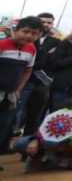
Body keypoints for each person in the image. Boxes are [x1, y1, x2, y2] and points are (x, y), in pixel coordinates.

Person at [16, 76, 72, 172]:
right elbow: (47, 123)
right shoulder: (64, 104)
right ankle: (38, 158)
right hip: (52, 136)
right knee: (20, 143)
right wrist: (36, 140)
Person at [0, 16, 44, 153]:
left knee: (4, 126)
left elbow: (28, 70)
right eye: (25, 31)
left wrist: (18, 90)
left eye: (34, 33)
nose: (29, 36)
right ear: (16, 30)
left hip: (11, 95)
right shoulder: (2, 44)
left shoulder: (31, 49)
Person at [17, 12, 58, 138]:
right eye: (43, 22)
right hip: (23, 81)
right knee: (17, 111)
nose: (46, 24)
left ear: (53, 24)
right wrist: (45, 53)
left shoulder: (57, 42)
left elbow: (52, 62)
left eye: (49, 22)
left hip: (42, 83)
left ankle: (27, 141)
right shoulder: (27, 38)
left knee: (35, 115)